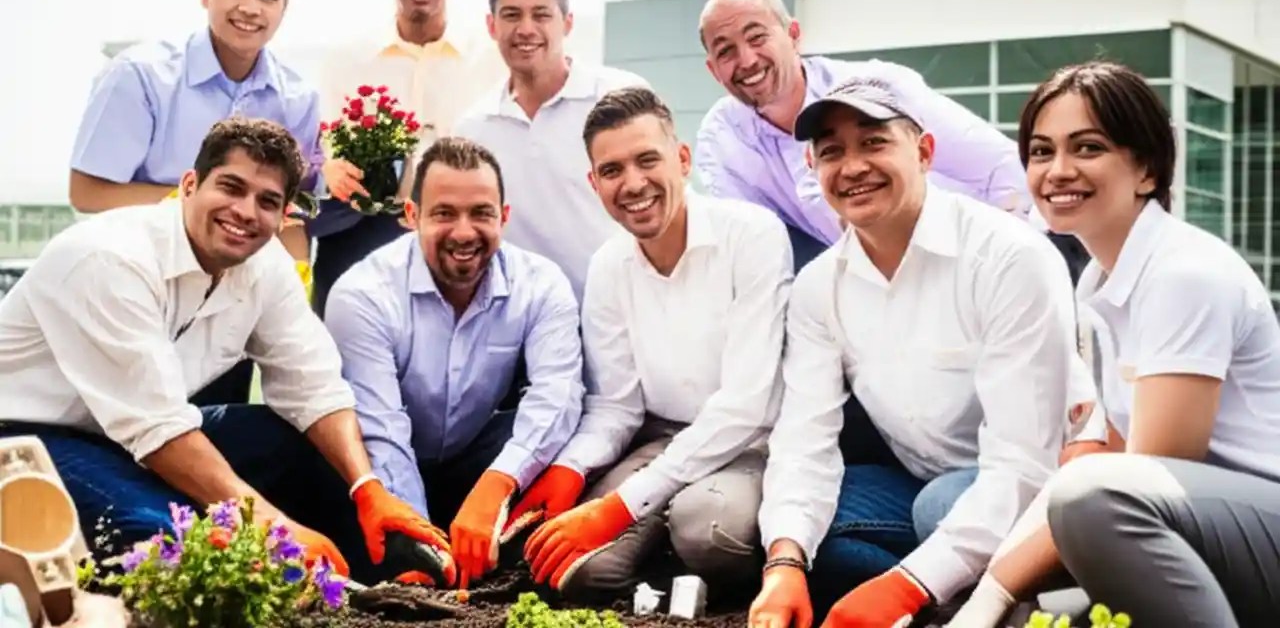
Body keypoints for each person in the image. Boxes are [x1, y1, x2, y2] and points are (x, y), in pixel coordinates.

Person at [0, 118, 444, 585]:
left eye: (267, 201)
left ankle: (390, 588)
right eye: (231, 187)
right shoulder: (108, 258)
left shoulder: (266, 264)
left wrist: (367, 488)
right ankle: (301, 589)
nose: (246, 211)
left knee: (304, 447)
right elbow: (158, 429)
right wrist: (274, 525)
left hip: (133, 437)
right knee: (167, 541)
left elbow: (315, 388)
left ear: (285, 213)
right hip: (32, 437)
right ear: (189, 185)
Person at [946, 61, 1280, 628]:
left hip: (1257, 520)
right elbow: (1115, 445)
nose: (1058, 171)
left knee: (1087, 499)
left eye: (1088, 148)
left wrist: (992, 593)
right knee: (967, 515)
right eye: (1040, 151)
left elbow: (1144, 472)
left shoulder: (1184, 274)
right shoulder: (1100, 278)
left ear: (1146, 169)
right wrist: (991, 586)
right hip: (1199, 520)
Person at [748, 77, 1088, 628]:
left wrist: (906, 586)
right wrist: (785, 561)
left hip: (1035, 486)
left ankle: (1006, 594)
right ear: (813, 170)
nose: (853, 166)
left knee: (940, 510)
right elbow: (804, 439)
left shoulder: (1007, 256)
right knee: (795, 526)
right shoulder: (818, 287)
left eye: (874, 142)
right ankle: (951, 589)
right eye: (831, 152)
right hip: (914, 481)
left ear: (925, 152)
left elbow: (1024, 461)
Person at [519, 87, 792, 597]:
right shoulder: (607, 265)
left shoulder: (753, 235)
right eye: (612, 170)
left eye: (648, 160)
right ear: (594, 183)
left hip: (751, 441)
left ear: (682, 159)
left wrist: (619, 507)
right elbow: (616, 408)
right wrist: (568, 469)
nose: (633, 183)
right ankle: (659, 572)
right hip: (662, 438)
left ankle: (690, 560)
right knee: (578, 572)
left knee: (706, 530)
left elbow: (747, 405)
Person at [67, 0, 322, 405]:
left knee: (217, 431)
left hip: (233, 295)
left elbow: (291, 213)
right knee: (125, 429)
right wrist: (199, 204)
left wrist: (294, 287)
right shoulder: (140, 74)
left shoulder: (299, 98)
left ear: (283, 8)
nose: (250, 7)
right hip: (139, 287)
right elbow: (88, 191)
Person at [324, 137, 586, 589]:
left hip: (473, 460)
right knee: (340, 459)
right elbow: (381, 430)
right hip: (383, 471)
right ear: (411, 216)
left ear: (504, 217)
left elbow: (556, 395)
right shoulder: (362, 293)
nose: (464, 232)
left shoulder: (541, 284)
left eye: (481, 213)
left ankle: (518, 561)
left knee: (563, 438)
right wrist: (419, 546)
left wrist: (498, 484)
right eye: (444, 213)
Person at [695, 0, 1034, 271]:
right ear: (713, 71)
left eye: (757, 38)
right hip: (872, 284)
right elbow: (755, 246)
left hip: (969, 259)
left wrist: (1002, 260)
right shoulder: (721, 140)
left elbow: (1002, 166)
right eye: (726, 52)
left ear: (794, 35)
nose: (747, 60)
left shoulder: (878, 85)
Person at [310, 0, 506, 317]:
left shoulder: (489, 62)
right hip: (361, 233)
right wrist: (332, 168)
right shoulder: (347, 60)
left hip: (459, 237)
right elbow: (324, 148)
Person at [453, 0, 648, 301]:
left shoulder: (622, 98)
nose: (526, 28)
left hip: (624, 311)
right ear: (492, 25)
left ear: (567, 23)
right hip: (527, 326)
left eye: (541, 14)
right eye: (511, 15)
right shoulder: (473, 129)